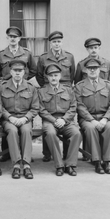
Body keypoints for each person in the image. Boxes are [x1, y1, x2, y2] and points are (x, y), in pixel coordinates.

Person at [35, 31, 75, 162]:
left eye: (58, 41)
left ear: (62, 42)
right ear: (50, 43)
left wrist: (65, 87)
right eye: (54, 42)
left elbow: (72, 74)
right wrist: (46, 87)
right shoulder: (43, 58)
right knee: (49, 126)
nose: (56, 44)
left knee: (67, 125)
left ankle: (66, 154)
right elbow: (39, 75)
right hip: (48, 91)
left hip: (65, 91)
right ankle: (48, 154)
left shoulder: (69, 56)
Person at [74, 58, 110, 174]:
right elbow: (79, 106)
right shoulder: (79, 86)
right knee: (90, 128)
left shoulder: (108, 85)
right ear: (86, 71)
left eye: (95, 69)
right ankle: (97, 161)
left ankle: (107, 162)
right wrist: (92, 120)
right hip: (87, 118)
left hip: (105, 117)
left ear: (99, 70)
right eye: (90, 69)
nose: (92, 71)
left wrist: (105, 119)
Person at [37, 63, 81, 176]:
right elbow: (41, 110)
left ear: (60, 76)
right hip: (50, 121)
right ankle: (59, 165)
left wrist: (64, 119)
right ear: (47, 77)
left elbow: (73, 107)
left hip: (66, 121)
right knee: (51, 134)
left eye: (56, 75)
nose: (53, 78)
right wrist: (54, 120)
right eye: (51, 75)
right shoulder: (41, 92)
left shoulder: (68, 90)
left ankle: (70, 165)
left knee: (76, 134)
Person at [0, 60, 40, 180]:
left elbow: (35, 108)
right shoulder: (3, 87)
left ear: (24, 72)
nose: (17, 73)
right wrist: (9, 117)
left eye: (20, 71)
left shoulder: (31, 88)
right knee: (12, 131)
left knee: (27, 131)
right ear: (11, 72)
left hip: (25, 118)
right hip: (9, 119)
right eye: (15, 71)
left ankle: (26, 165)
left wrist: (25, 118)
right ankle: (16, 164)